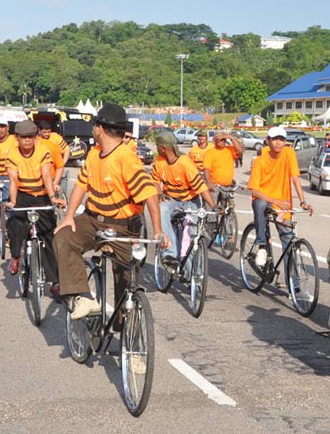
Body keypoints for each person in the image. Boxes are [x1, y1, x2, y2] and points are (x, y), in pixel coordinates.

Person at [53, 103, 167, 320]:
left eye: (95, 124)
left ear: (101, 129)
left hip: (122, 227)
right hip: (92, 220)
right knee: (63, 237)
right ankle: (84, 296)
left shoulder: (126, 157)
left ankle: (129, 337)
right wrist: (68, 217)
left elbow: (149, 193)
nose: (93, 128)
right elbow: (81, 185)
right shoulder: (95, 153)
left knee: (127, 286)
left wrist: (158, 231)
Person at [6, 121, 64, 289]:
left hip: (42, 195)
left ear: (35, 137)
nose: (27, 141)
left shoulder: (43, 152)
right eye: (23, 137)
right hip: (23, 195)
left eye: (30, 137)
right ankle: (16, 257)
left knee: (48, 234)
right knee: (16, 225)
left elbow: (46, 175)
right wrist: (13, 202)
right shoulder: (12, 154)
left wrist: (53, 197)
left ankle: (55, 281)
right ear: (17, 138)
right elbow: (13, 180)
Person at [248, 127, 312, 269]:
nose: (278, 143)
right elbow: (255, 191)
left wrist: (303, 201)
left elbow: (295, 178)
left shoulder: (288, 153)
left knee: (288, 239)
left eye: (282, 139)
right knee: (260, 205)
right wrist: (275, 201)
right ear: (268, 141)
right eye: (275, 139)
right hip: (264, 199)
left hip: (282, 204)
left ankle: (293, 285)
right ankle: (261, 245)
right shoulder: (260, 161)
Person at [151, 131, 216, 268]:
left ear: (163, 148)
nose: (156, 148)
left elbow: (201, 187)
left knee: (190, 234)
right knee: (161, 209)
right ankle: (169, 253)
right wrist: (160, 193)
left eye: (157, 146)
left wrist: (213, 206)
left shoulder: (185, 163)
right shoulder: (159, 162)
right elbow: (155, 181)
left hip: (190, 201)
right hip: (171, 200)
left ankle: (189, 271)